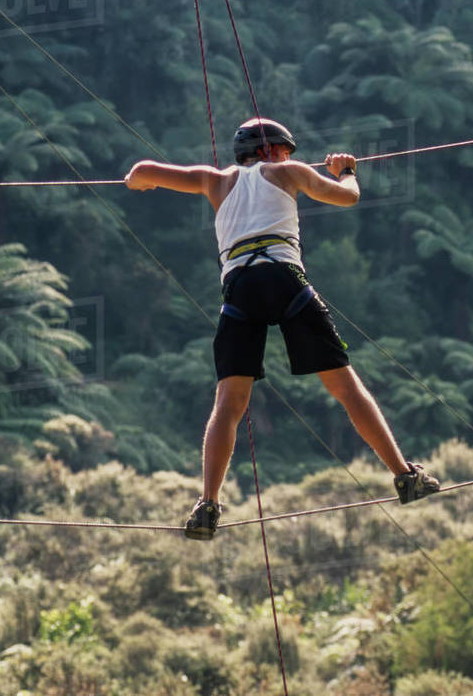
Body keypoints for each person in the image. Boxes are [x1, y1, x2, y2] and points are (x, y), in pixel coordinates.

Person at [125, 117, 439, 540]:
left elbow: (142, 172)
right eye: (286, 151)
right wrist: (346, 170)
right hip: (283, 278)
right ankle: (404, 476)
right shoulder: (288, 171)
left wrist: (137, 181)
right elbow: (347, 197)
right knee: (346, 389)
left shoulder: (213, 181)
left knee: (229, 404)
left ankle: (208, 504)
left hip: (238, 290)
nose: (289, 158)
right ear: (273, 150)